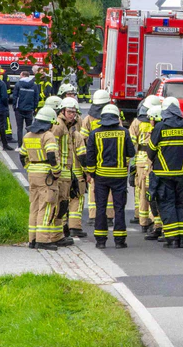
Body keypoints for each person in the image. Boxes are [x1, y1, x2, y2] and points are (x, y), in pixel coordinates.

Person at [19, 106, 71, 250]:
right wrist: (56, 172)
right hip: (46, 177)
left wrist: (29, 168)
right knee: (46, 207)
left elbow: (22, 156)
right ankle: (43, 240)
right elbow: (52, 156)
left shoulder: (28, 135)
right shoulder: (48, 136)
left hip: (33, 174)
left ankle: (33, 239)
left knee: (34, 206)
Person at [84, 104, 135, 249]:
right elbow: (131, 153)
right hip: (119, 176)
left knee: (101, 207)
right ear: (116, 118)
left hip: (101, 176)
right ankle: (119, 240)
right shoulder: (124, 132)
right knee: (119, 208)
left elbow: (90, 157)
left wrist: (92, 173)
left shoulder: (94, 133)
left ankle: (100, 240)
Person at [148, 96, 183, 249]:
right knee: (179, 204)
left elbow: (151, 151)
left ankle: (172, 238)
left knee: (167, 205)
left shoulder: (161, 127)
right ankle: (182, 238)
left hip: (163, 174)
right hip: (181, 174)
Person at [80, 90, 115, 225]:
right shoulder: (115, 118)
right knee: (110, 188)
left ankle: (94, 216)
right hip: (111, 156)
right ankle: (109, 216)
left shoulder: (88, 119)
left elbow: (83, 138)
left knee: (94, 186)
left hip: (94, 156)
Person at [57, 97, 88, 238]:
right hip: (63, 170)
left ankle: (65, 229)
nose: (72, 114)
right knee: (69, 198)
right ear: (62, 110)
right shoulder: (60, 127)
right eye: (69, 111)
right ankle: (69, 228)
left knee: (66, 198)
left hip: (68, 169)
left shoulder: (71, 128)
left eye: (74, 112)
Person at [129, 96, 160, 227]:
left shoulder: (137, 122)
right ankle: (155, 220)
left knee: (142, 192)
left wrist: (131, 165)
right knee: (154, 191)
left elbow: (130, 144)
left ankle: (143, 221)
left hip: (141, 160)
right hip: (156, 160)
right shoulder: (160, 123)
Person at [142, 104, 165, 242]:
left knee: (159, 199)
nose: (149, 121)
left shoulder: (158, 132)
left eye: (151, 119)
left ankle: (162, 228)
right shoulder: (155, 130)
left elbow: (151, 152)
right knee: (152, 199)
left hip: (157, 170)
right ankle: (157, 226)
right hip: (152, 170)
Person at [11, 70, 40, 146]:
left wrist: (14, 107)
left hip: (19, 109)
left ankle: (19, 146)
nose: (20, 77)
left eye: (20, 75)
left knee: (19, 128)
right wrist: (34, 108)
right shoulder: (34, 85)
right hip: (29, 110)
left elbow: (15, 96)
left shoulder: (18, 84)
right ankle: (28, 145)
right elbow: (36, 98)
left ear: (23, 75)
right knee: (29, 128)